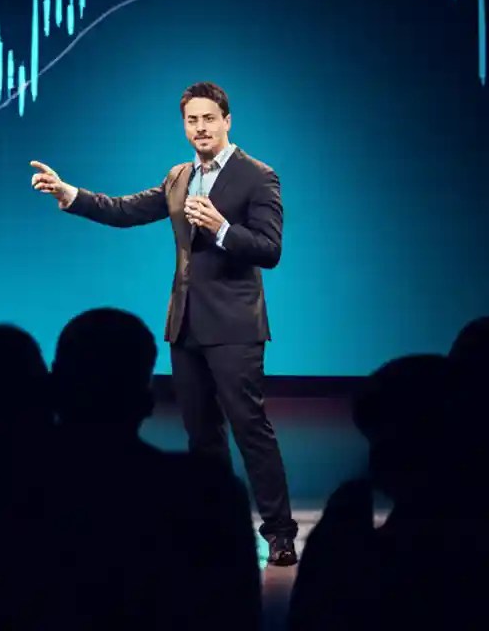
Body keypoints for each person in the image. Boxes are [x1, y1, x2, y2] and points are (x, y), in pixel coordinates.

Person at [28, 81, 298, 565]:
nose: (201, 128)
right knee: (201, 434)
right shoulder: (179, 176)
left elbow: (270, 249)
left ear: (227, 121)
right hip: (185, 323)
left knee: (250, 429)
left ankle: (279, 532)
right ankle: (215, 525)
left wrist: (221, 228)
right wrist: (70, 194)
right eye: (192, 120)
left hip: (234, 325)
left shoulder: (258, 176)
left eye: (209, 119)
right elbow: (126, 210)